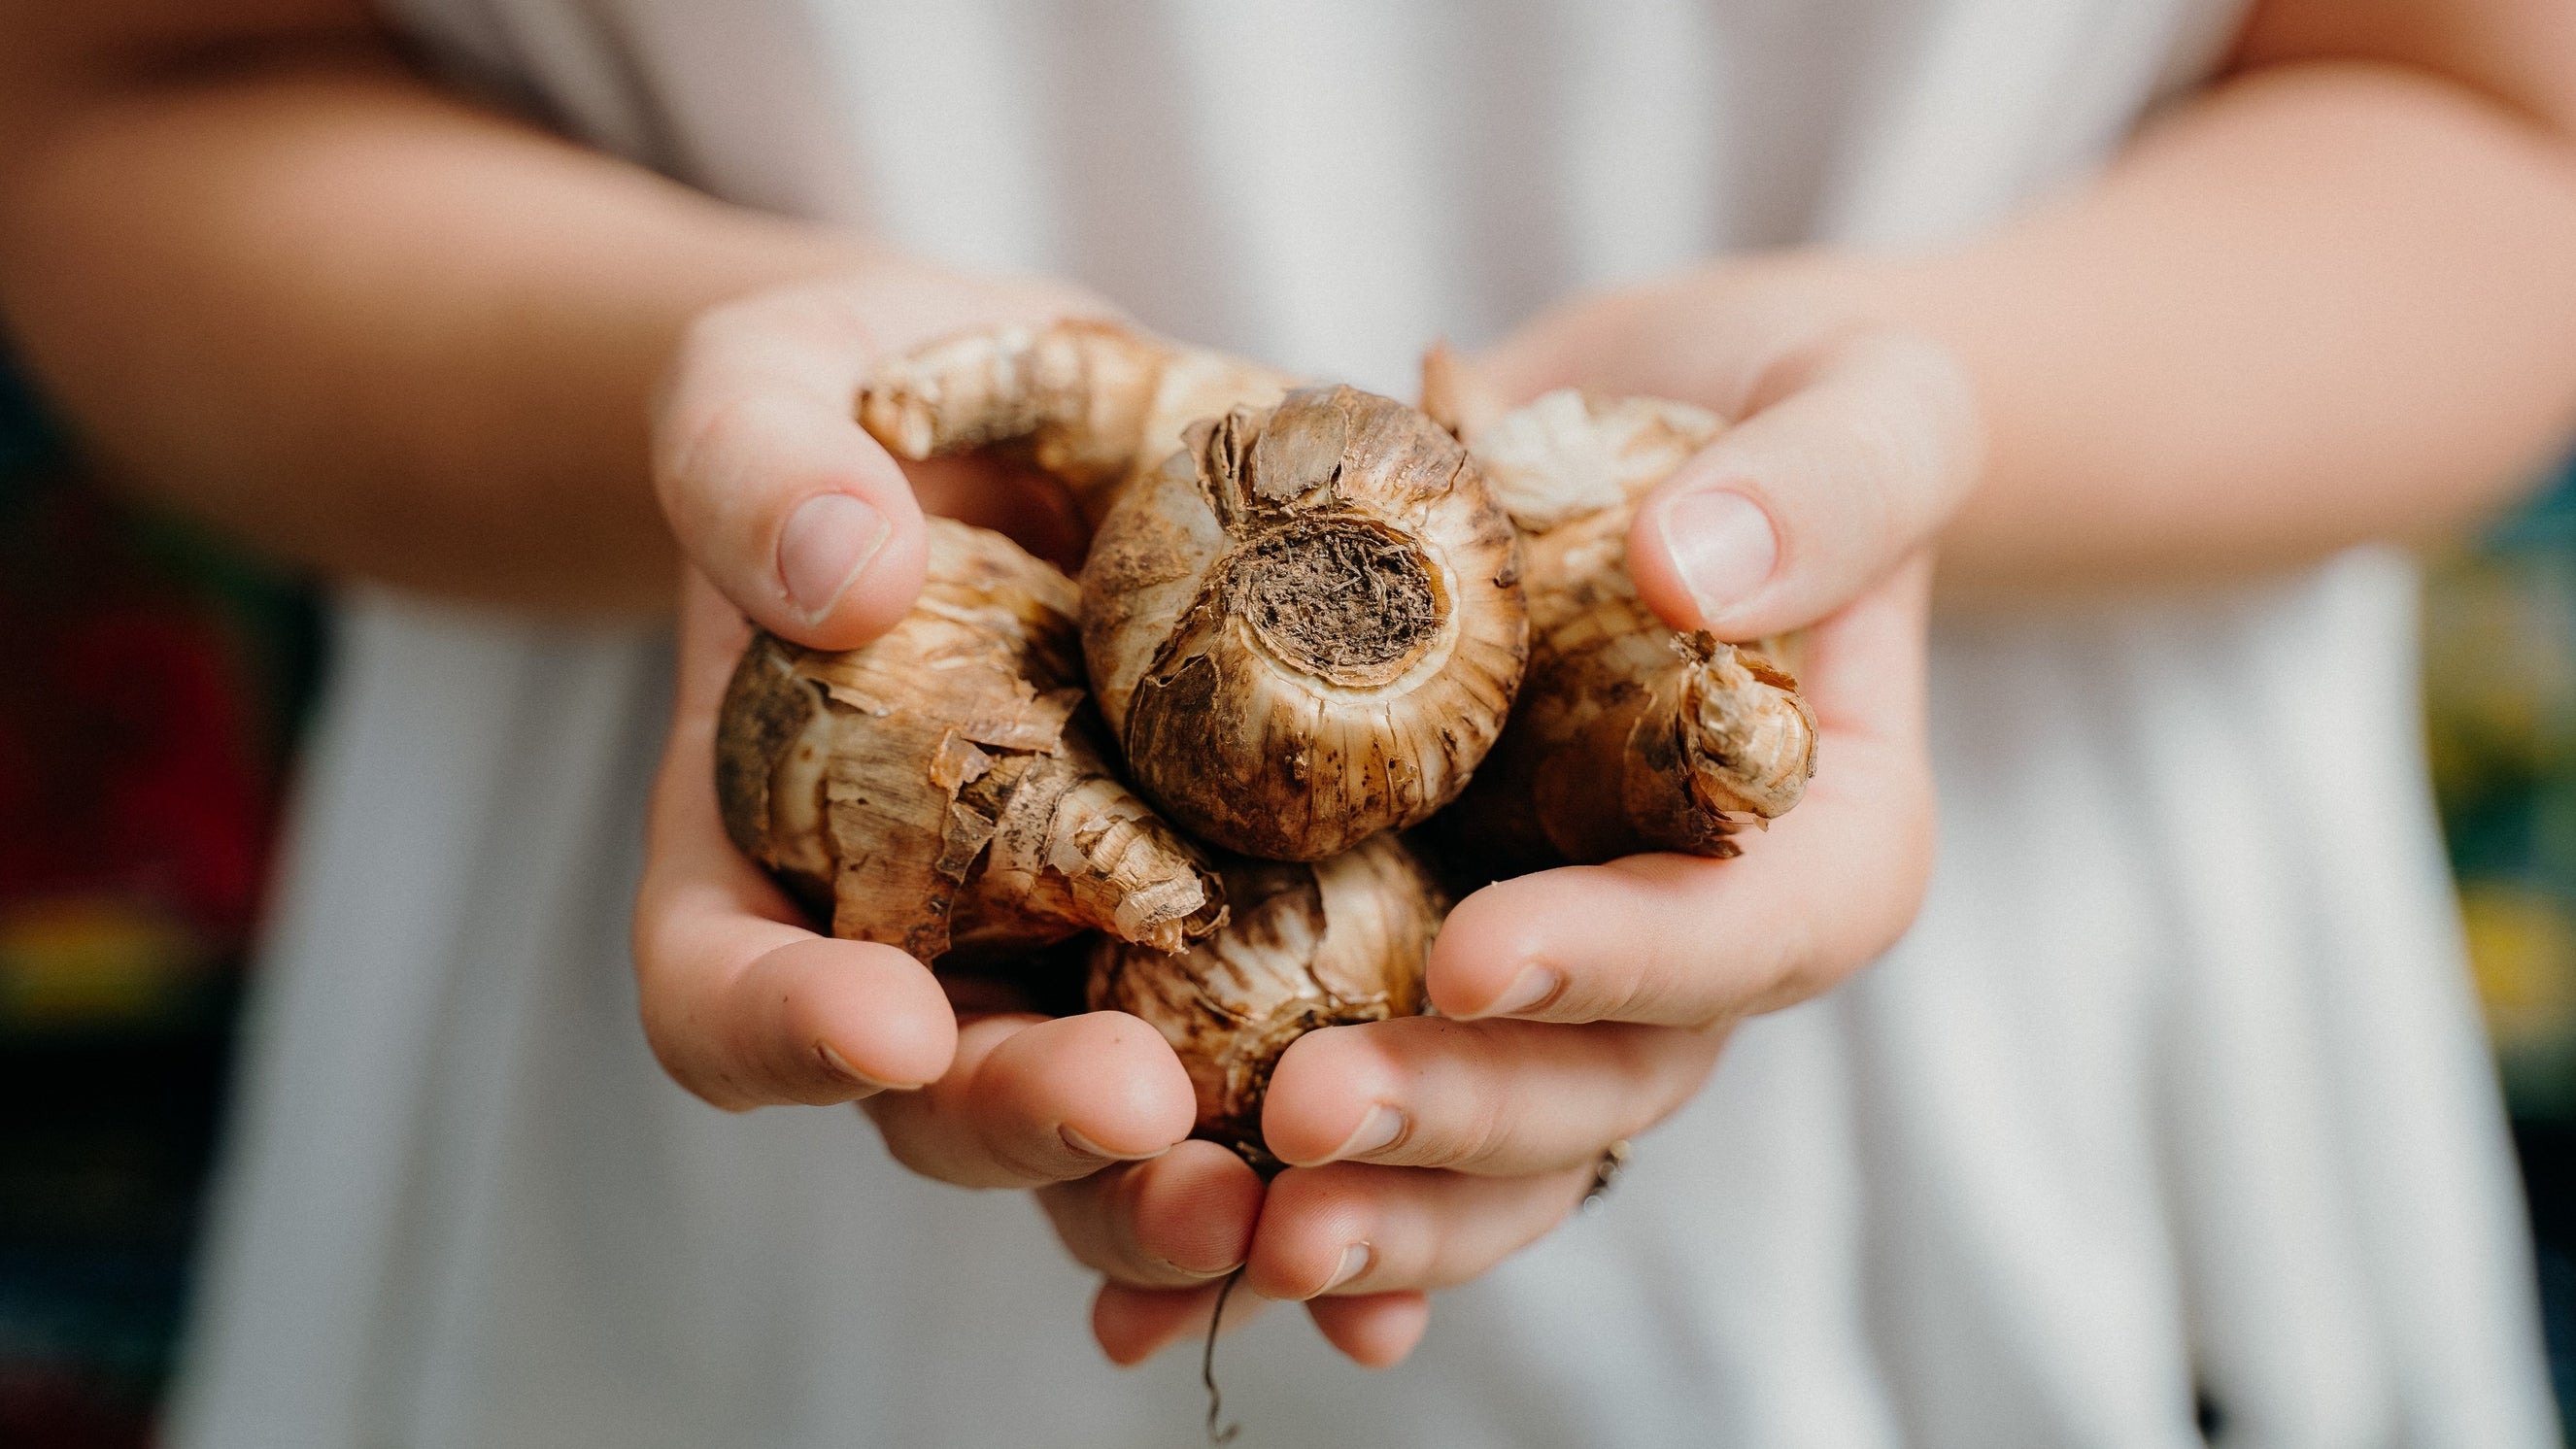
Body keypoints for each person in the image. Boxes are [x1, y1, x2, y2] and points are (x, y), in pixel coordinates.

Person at [3, 0, 2572, 1443]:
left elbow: (2501, 135)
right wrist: (727, 421)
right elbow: (118, 117)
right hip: (667, 1153)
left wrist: (1902, 428)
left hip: (2051, 1086)